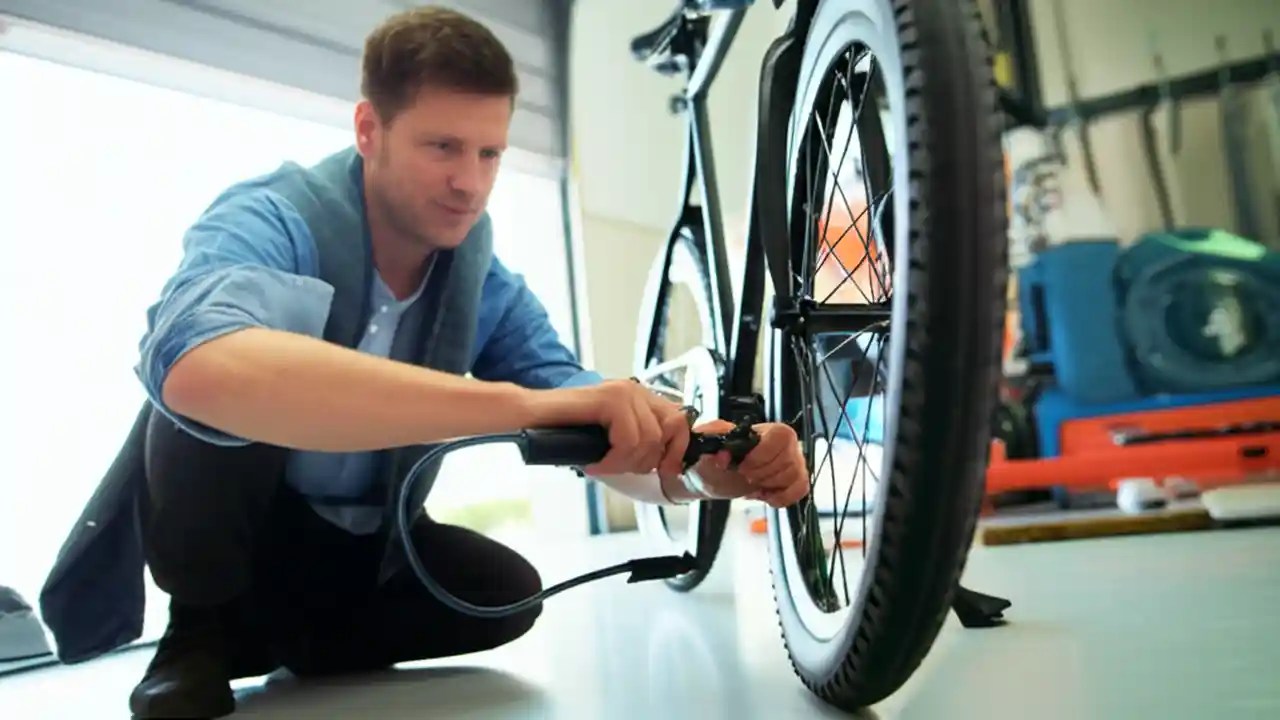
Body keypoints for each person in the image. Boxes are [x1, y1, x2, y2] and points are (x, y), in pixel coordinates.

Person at [36, 7, 811, 719]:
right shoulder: (274, 213)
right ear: (369, 129)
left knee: (505, 595)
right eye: (442, 146)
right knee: (211, 389)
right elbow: (196, 366)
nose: (469, 182)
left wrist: (704, 465)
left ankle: (287, 640)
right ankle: (201, 631)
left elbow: (581, 401)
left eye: (490, 153)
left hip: (358, 547)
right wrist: (520, 408)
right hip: (241, 527)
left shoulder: (480, 276)